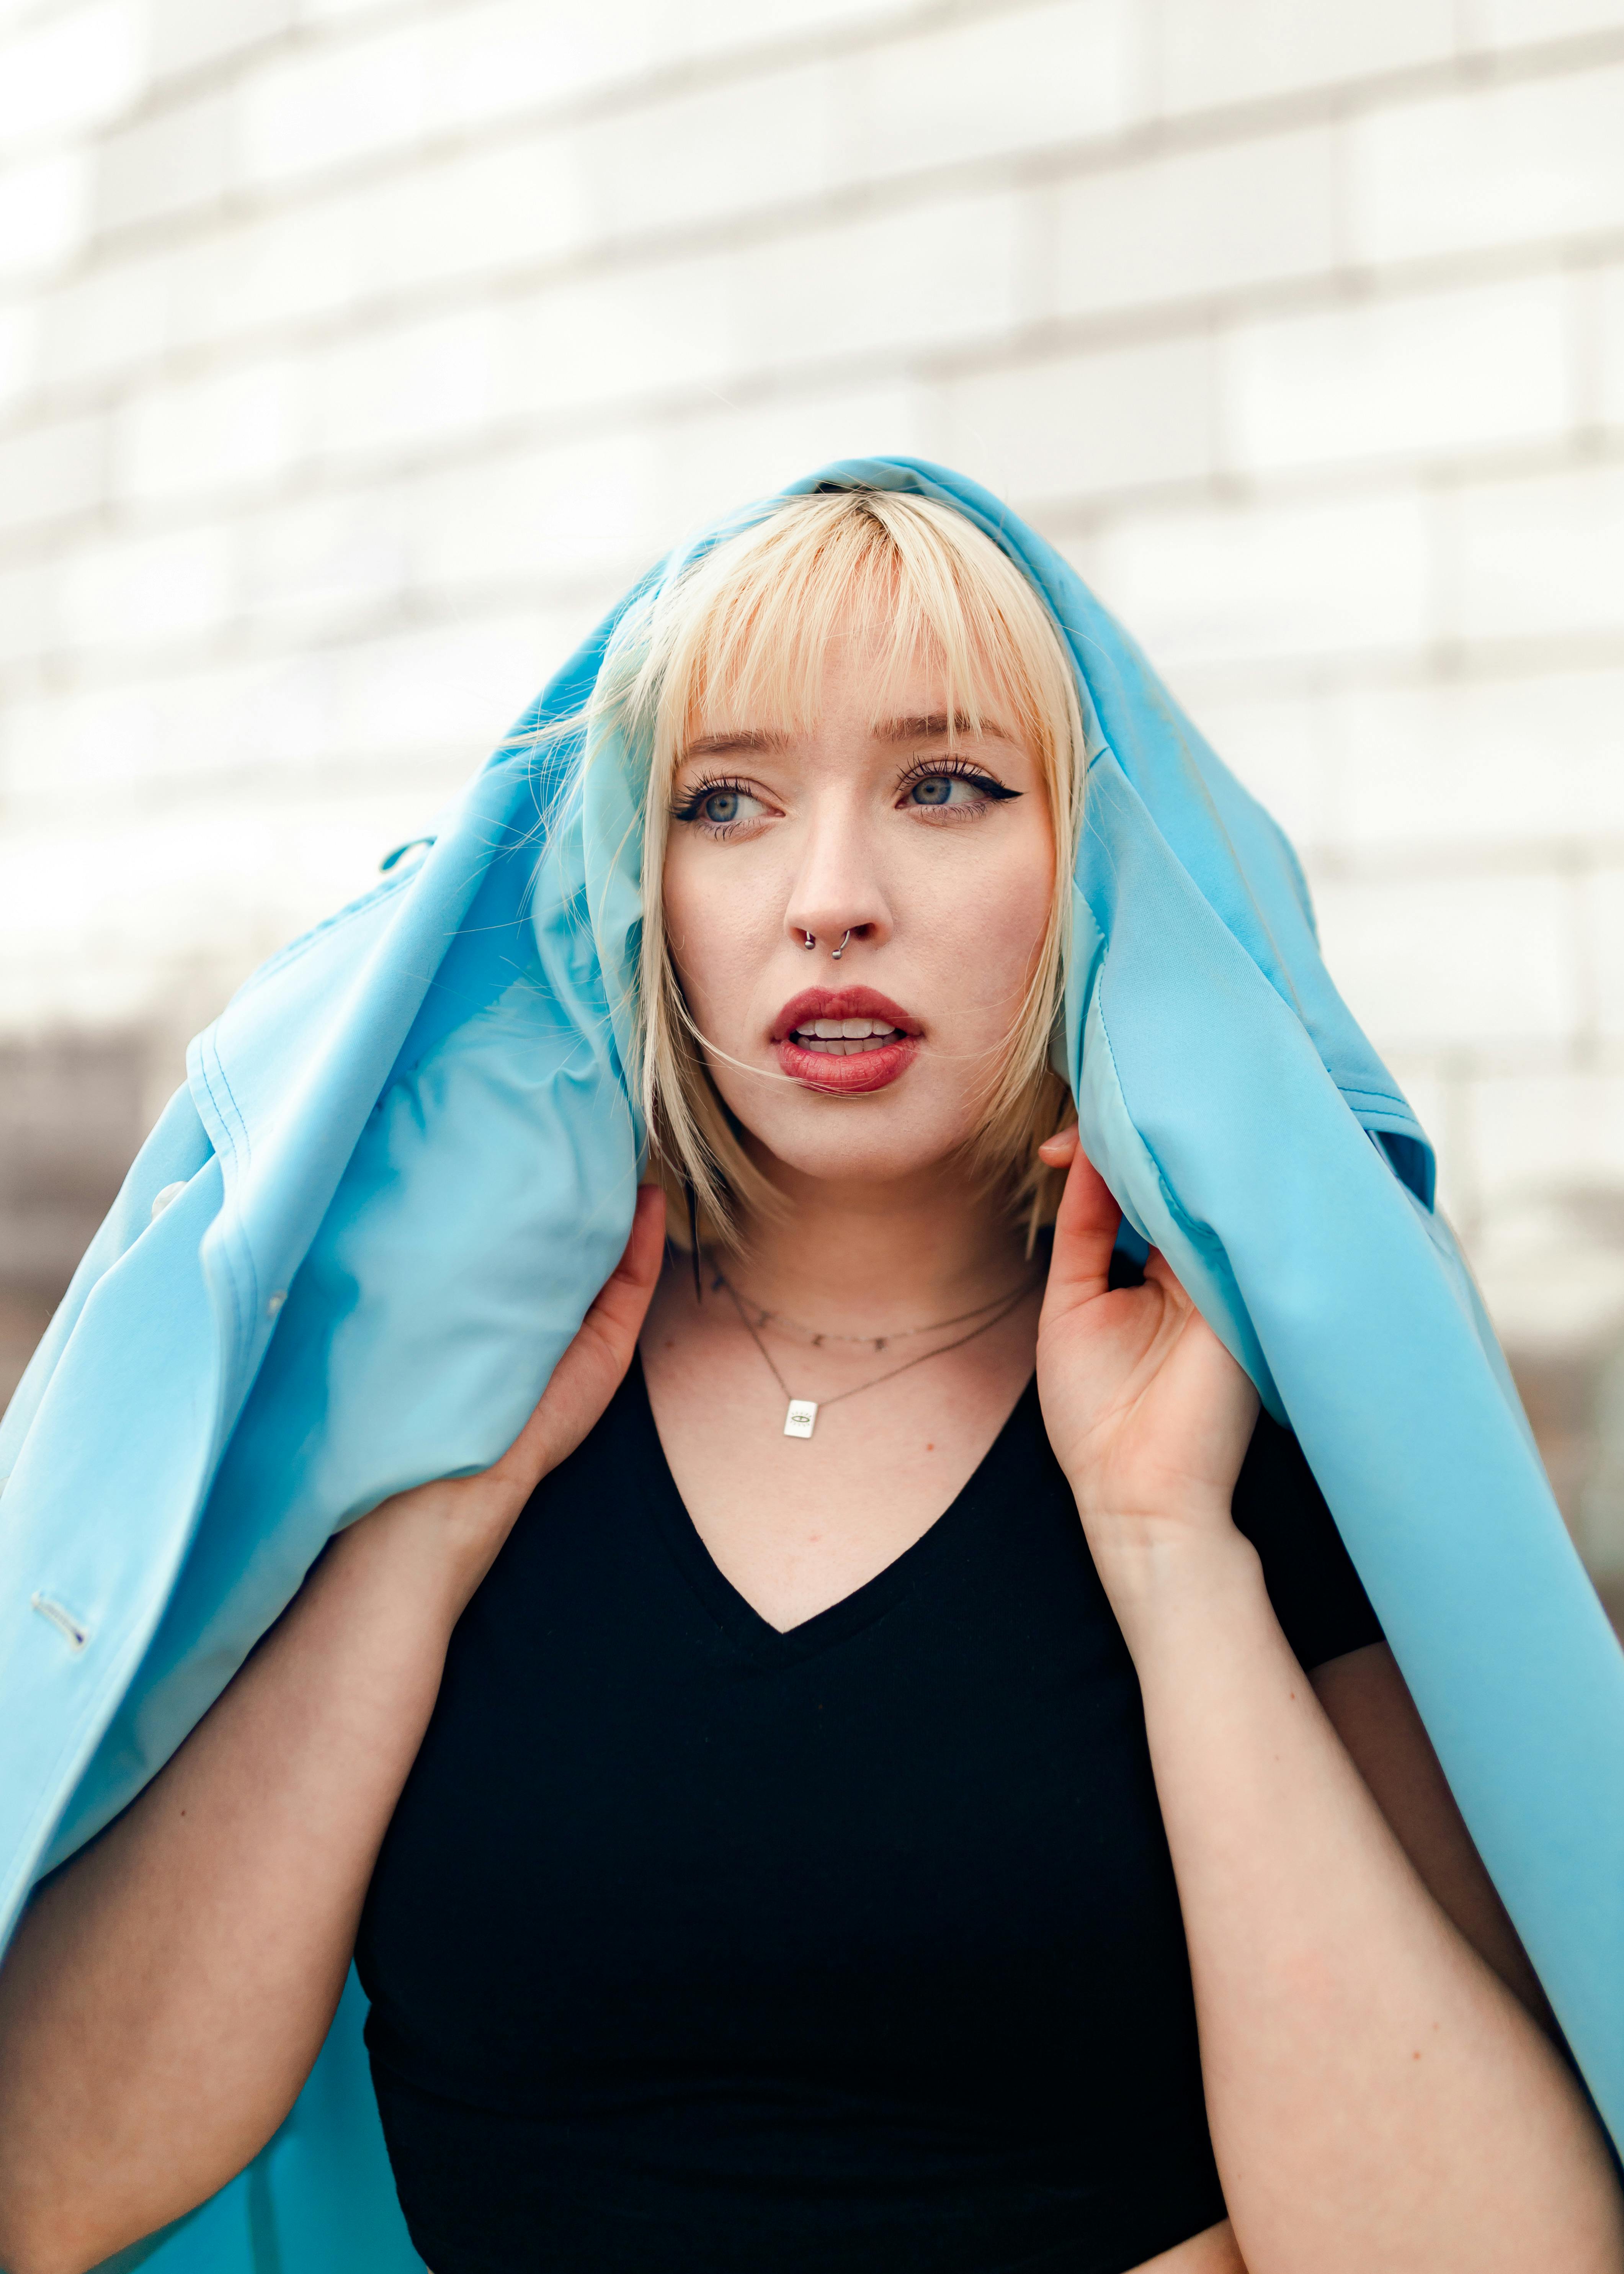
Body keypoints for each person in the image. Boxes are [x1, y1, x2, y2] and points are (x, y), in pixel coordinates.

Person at [0, 486, 1620, 2274]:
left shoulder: (1244, 1427)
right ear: (632, 881)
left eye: (945, 787)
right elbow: (49, 2180)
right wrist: (436, 1525)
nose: (830, 900)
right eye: (723, 802)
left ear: (1092, 869)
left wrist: (1171, 1557)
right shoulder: (429, 1407)